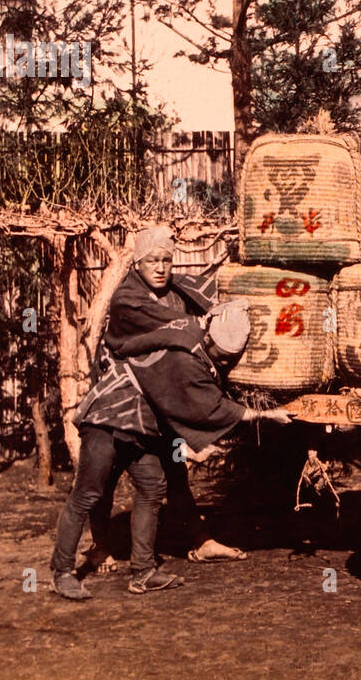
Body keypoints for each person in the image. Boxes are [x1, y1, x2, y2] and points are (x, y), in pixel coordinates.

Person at [84, 227, 285, 568]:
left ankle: (199, 540)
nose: (161, 268)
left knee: (175, 468)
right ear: (137, 264)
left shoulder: (173, 289)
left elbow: (204, 298)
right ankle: (100, 545)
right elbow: (180, 325)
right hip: (123, 393)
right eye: (153, 261)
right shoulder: (129, 299)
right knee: (106, 472)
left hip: (161, 393)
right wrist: (212, 323)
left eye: (166, 260)